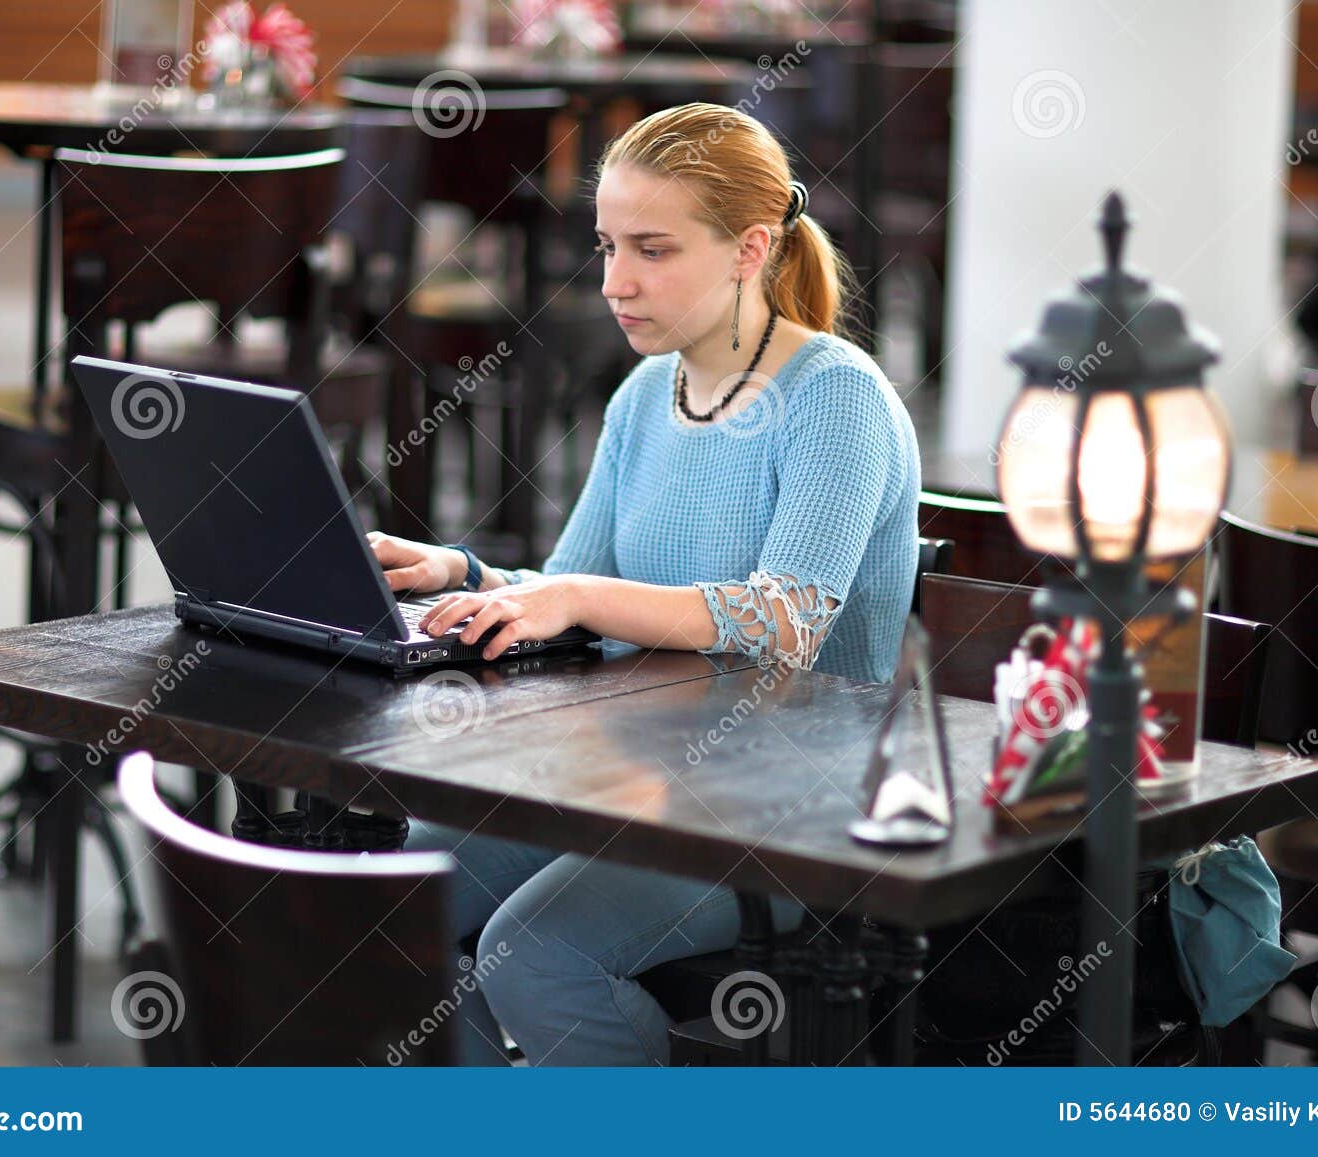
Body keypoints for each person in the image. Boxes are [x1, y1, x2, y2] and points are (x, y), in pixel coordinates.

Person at [367, 103, 921, 1064]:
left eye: (653, 250)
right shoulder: (644, 394)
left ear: (750, 248)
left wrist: (575, 597)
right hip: (646, 779)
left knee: (533, 952)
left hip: (797, 810)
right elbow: (580, 586)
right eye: (608, 245)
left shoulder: (837, 396)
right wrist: (467, 574)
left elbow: (782, 617)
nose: (615, 281)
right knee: (386, 909)